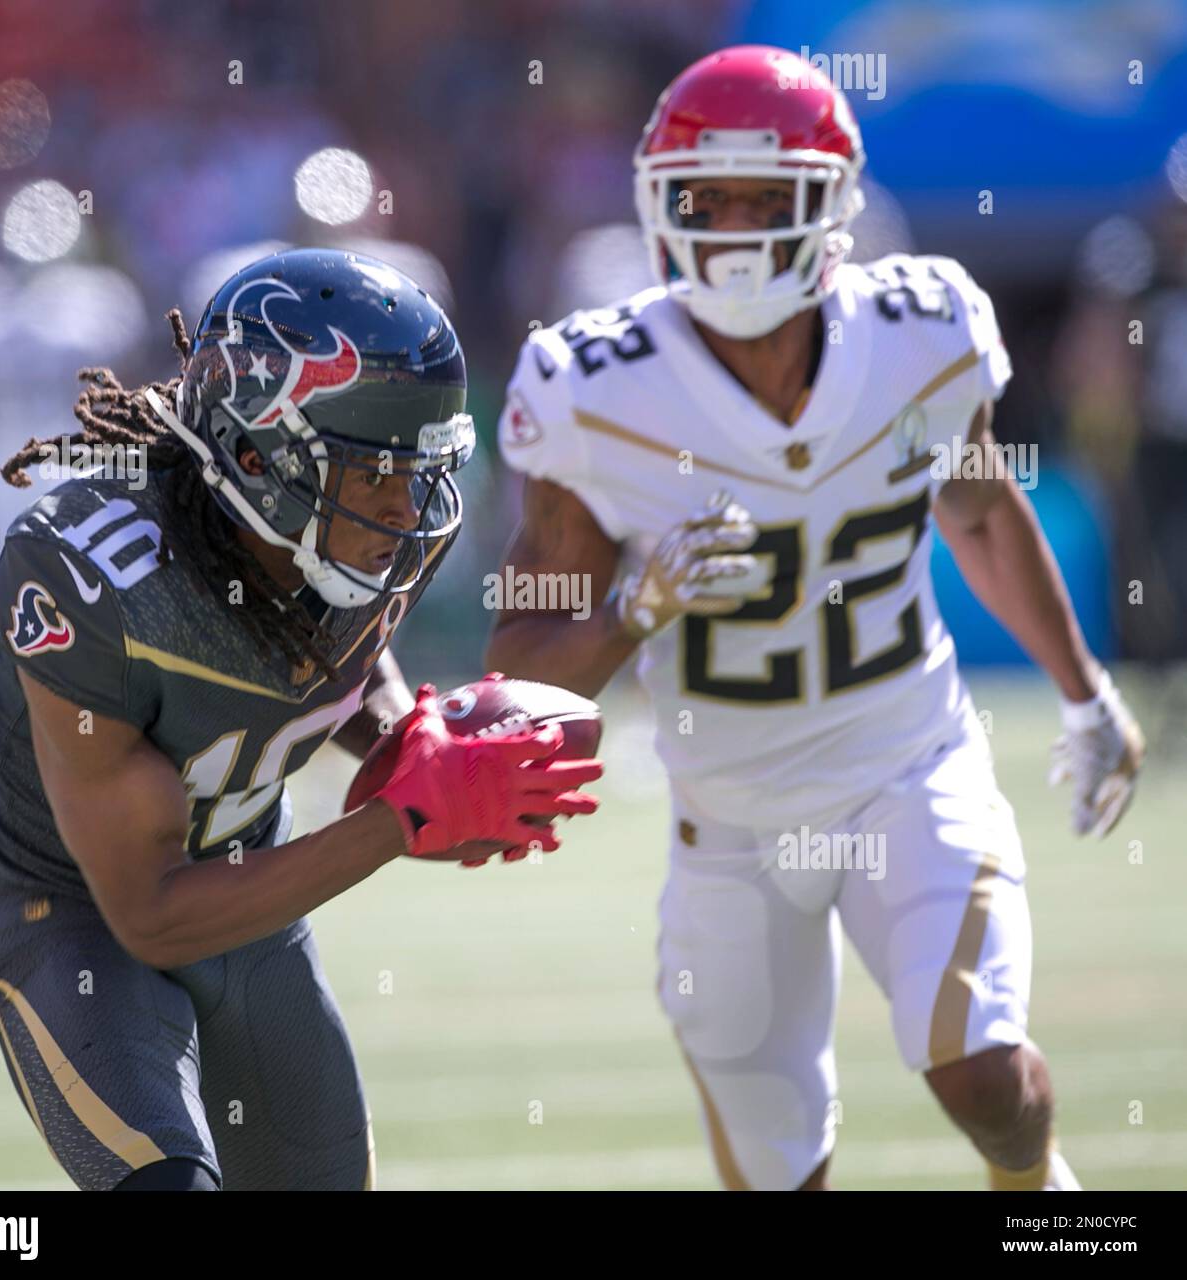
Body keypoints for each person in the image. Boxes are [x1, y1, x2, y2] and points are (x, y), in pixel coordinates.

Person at [485, 46, 1143, 1191]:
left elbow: (981, 515)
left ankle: (1041, 1198)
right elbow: (523, 657)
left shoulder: (920, 329)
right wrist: (635, 608)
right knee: (781, 1170)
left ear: (830, 207)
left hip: (906, 766)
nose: (733, 228)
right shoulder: (592, 385)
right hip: (725, 819)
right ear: (656, 204)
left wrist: (1085, 689)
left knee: (983, 1076)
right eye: (705, 198)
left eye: (766, 197)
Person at [0, 247, 603, 1191]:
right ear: (257, 457)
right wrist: (399, 819)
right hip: (71, 907)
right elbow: (154, 914)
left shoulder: (360, 530)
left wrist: (402, 735)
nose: (407, 502)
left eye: (422, 466)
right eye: (376, 470)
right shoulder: (94, 585)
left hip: (249, 872)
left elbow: (329, 636)